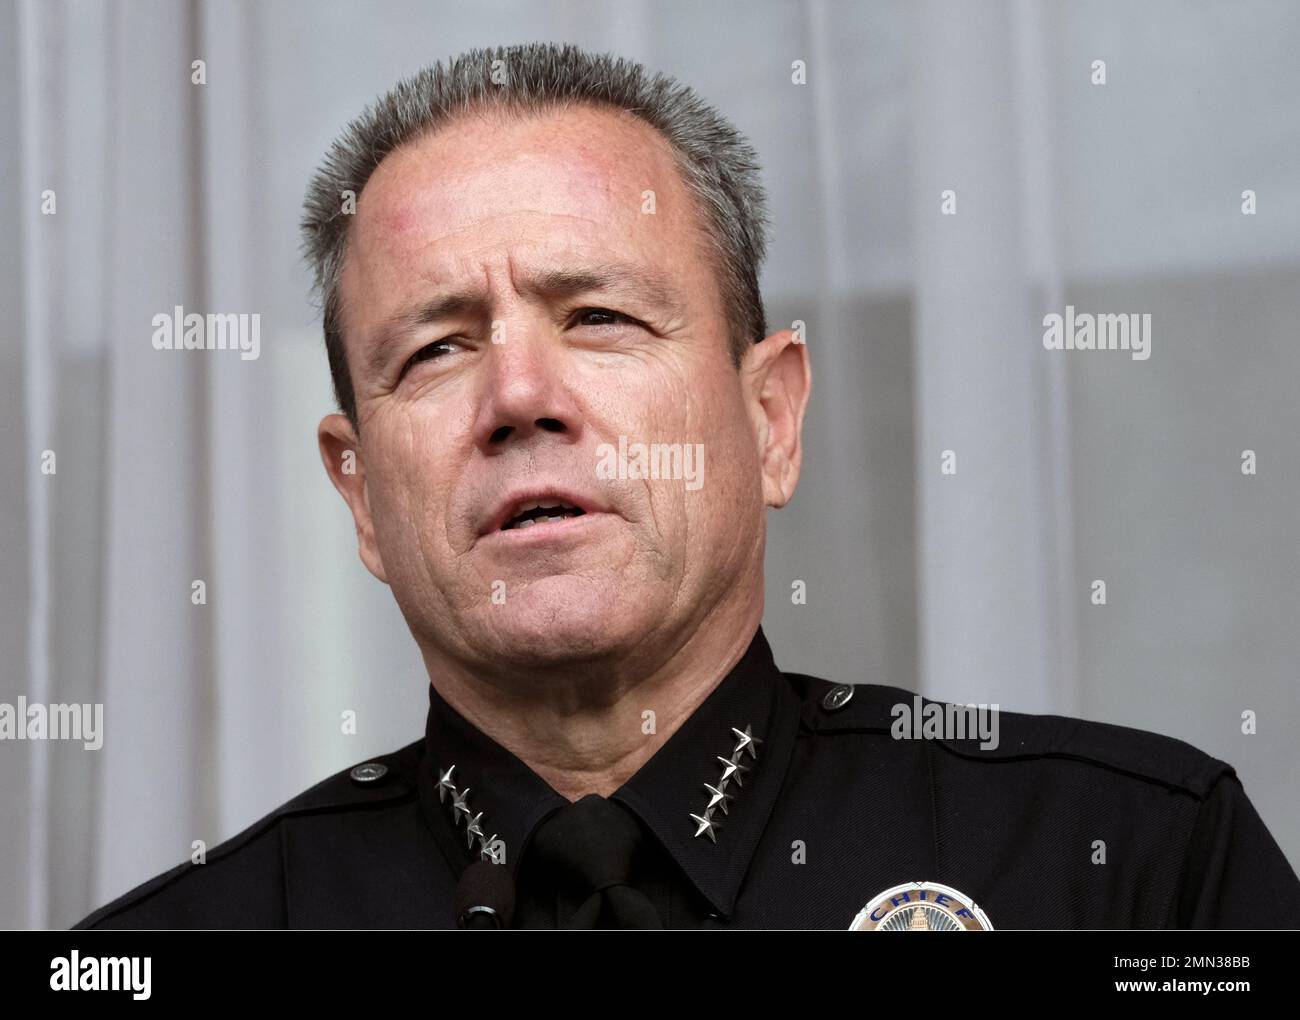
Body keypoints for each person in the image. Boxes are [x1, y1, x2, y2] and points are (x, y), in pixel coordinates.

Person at [75, 42, 1300, 930]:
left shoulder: (1134, 872)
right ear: (358, 498)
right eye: (437, 348)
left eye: (598, 317)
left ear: (770, 418)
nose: (518, 397)